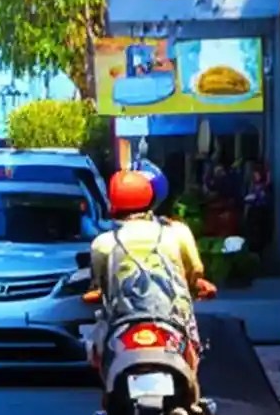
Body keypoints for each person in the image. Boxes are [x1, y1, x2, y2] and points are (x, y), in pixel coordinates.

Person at [87, 169, 215, 395]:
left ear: (113, 204)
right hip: (174, 317)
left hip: (123, 320)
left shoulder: (103, 243)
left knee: (98, 350)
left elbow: (100, 285)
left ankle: (109, 399)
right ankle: (193, 398)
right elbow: (195, 270)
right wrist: (196, 286)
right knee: (194, 348)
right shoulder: (177, 233)